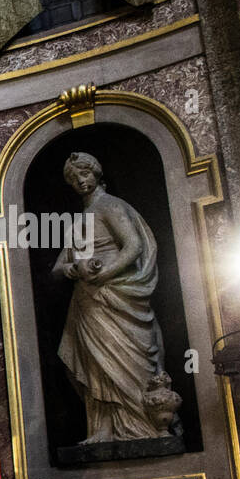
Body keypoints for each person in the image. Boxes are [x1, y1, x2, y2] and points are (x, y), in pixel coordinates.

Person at [52, 151, 175, 443]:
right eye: (74, 178)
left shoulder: (110, 206)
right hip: (88, 301)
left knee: (125, 361)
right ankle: (103, 429)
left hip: (116, 295)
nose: (80, 181)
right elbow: (57, 268)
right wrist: (75, 268)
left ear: (96, 173)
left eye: (85, 174)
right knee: (96, 363)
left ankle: (144, 427)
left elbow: (132, 246)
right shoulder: (79, 220)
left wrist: (105, 273)